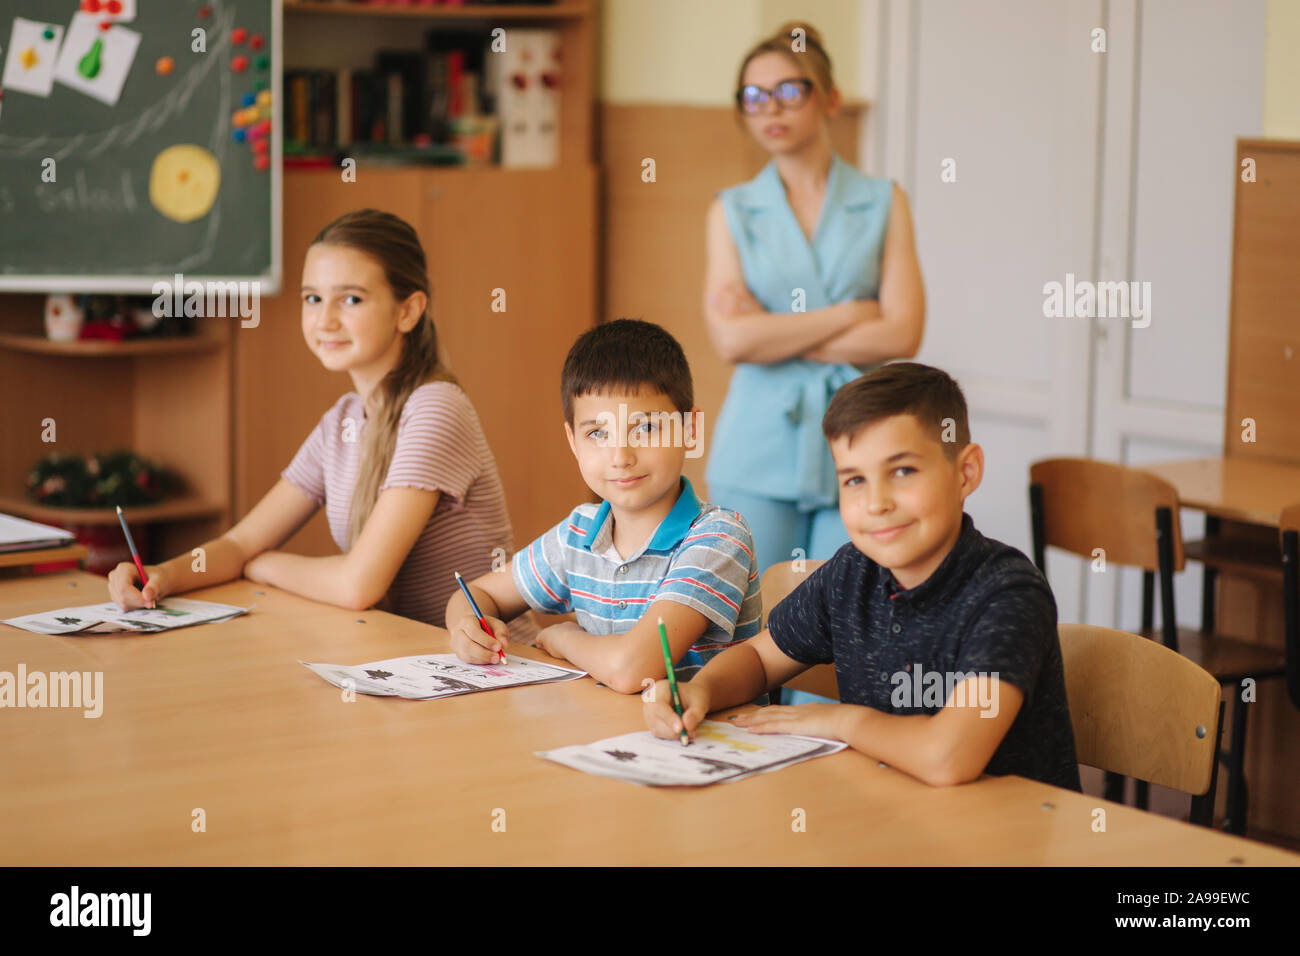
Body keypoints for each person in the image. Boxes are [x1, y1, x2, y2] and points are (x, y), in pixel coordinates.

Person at [645, 363, 1081, 790]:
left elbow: (948, 757)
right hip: (894, 816)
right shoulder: (853, 571)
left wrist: (839, 719)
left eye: (903, 471)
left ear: (965, 472)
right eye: (854, 480)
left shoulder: (1007, 595)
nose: (876, 503)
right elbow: (760, 660)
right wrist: (699, 690)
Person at [109, 209, 527, 633]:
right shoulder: (343, 421)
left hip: (491, 669)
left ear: (409, 310)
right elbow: (239, 542)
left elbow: (357, 586)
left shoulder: (436, 408)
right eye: (312, 298)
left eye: (351, 299)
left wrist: (262, 564)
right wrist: (161, 576)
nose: (324, 319)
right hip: (409, 662)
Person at [705, 20, 926, 575]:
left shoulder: (883, 202)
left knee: (845, 624)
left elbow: (901, 334)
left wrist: (773, 330)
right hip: (757, 447)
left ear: (830, 99)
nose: (771, 109)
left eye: (789, 91)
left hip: (859, 442)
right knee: (748, 624)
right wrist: (854, 314)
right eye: (754, 98)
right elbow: (732, 339)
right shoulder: (731, 210)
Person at [446, 319, 762, 694]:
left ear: (689, 430)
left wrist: (562, 638)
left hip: (704, 743)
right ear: (573, 441)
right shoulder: (579, 533)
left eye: (645, 428)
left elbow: (633, 670)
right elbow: (475, 595)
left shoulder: (719, 537)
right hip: (607, 737)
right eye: (598, 433)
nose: (620, 457)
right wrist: (467, 626)